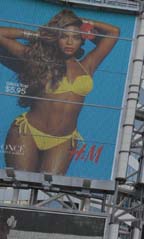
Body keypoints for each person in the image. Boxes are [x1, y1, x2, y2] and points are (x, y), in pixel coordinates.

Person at [0, 9, 120, 174]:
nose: (70, 42)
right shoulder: (37, 60)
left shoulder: (87, 65)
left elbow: (114, 32)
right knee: (20, 194)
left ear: (82, 40)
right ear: (56, 38)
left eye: (76, 37)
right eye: (64, 36)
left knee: (44, 196)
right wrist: (36, 35)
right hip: (27, 133)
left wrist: (84, 23)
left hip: (63, 140)